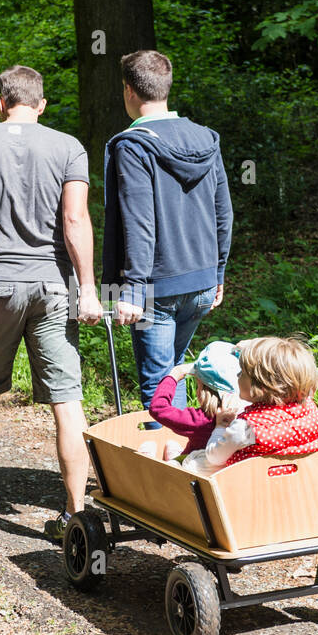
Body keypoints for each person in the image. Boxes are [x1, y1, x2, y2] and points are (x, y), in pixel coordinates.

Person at [0, 65, 102, 535]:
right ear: (42, 105)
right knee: (67, 399)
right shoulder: (69, 147)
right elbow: (76, 221)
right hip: (54, 287)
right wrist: (88, 286)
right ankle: (75, 514)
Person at [101, 49, 233, 414]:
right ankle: (182, 461)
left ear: (129, 90)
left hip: (157, 289)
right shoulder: (207, 138)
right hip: (202, 282)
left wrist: (132, 289)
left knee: (159, 389)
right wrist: (218, 272)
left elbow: (138, 220)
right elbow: (223, 211)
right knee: (172, 376)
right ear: (166, 87)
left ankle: (167, 468)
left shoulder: (132, 145)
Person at [182, 337, 318, 474]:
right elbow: (283, 367)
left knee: (191, 463)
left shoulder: (246, 427)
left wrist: (221, 426)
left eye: (242, 373)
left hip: (252, 484)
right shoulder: (308, 407)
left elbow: (214, 457)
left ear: (262, 385)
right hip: (300, 477)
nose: (237, 376)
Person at [139, 340, 243, 461]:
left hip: (193, 471)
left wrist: (173, 375)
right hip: (225, 472)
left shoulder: (200, 420)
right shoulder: (247, 413)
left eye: (198, 385)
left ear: (203, 391)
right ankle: (174, 456)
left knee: (171, 460)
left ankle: (151, 460)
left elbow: (158, 408)